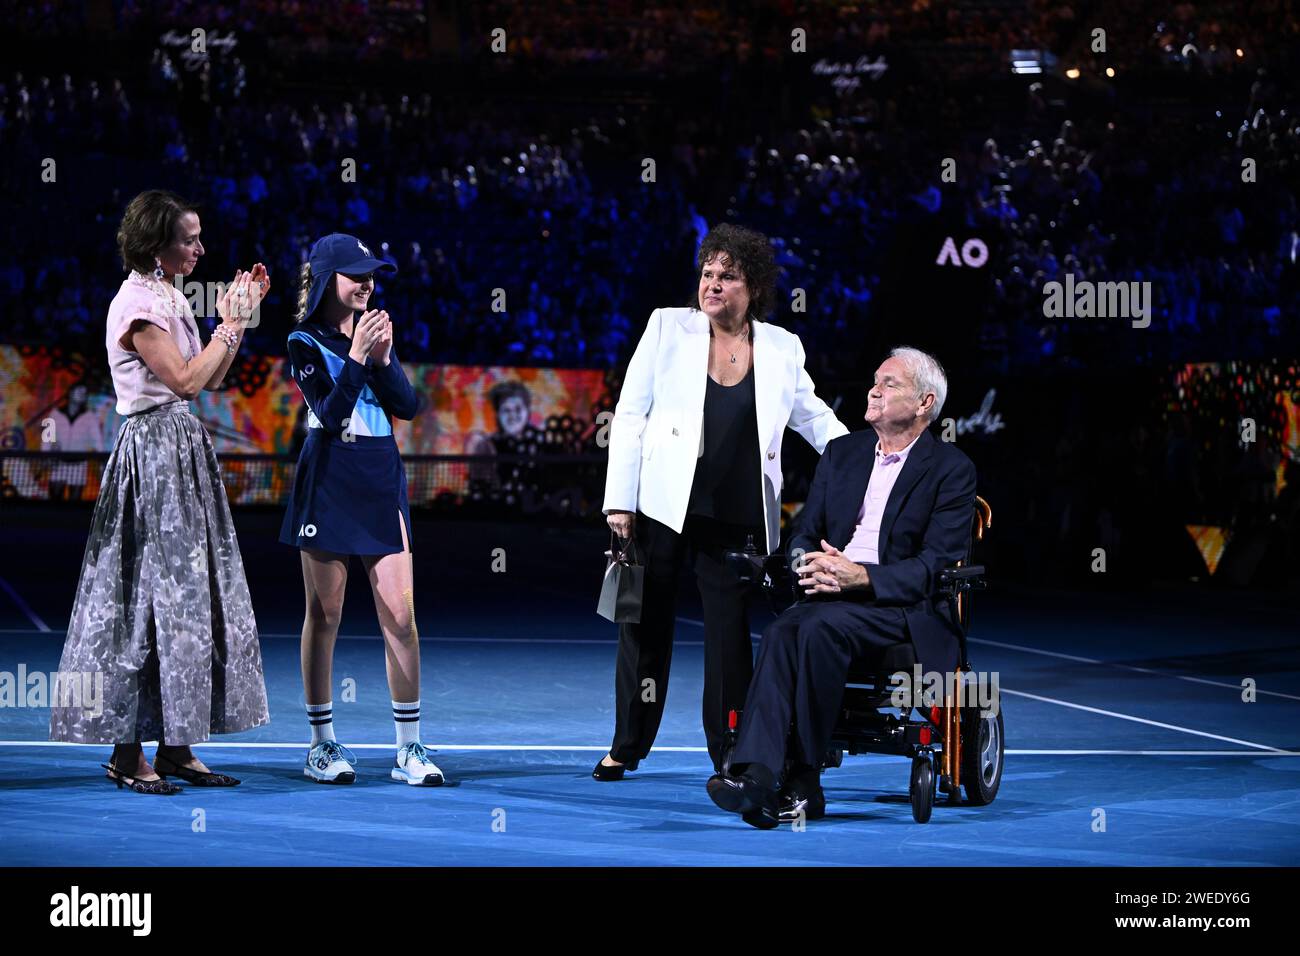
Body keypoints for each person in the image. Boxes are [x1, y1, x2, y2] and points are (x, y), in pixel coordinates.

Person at [597, 223, 849, 780]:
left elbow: (814, 419)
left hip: (736, 517)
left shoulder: (782, 347)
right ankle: (627, 743)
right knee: (643, 627)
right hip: (661, 508)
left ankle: (732, 751)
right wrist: (621, 500)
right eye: (707, 274)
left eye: (727, 276)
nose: (712, 285)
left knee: (729, 639)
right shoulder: (667, 327)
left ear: (752, 287)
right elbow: (631, 412)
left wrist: (871, 458)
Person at [49, 189, 271, 794]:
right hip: (151, 458)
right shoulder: (138, 305)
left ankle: (176, 746)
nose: (199, 248)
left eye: (199, 237)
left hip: (183, 454)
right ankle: (128, 752)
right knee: (142, 599)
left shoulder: (170, 294)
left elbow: (212, 376)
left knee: (188, 600)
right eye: (188, 239)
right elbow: (185, 380)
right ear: (156, 244)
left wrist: (238, 322)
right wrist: (229, 323)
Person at [707, 346, 977, 827]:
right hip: (830, 594)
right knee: (783, 631)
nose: (873, 390)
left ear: (924, 403)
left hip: (900, 606)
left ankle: (800, 779)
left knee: (809, 630)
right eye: (875, 379)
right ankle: (761, 776)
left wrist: (863, 576)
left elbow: (935, 565)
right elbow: (805, 533)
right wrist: (805, 564)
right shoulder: (842, 453)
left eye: (890, 384)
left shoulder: (951, 469)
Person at [279, 233, 442, 786]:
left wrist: (386, 359)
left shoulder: (375, 333)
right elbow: (327, 411)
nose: (368, 283)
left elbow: (407, 406)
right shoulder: (304, 340)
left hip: (378, 476)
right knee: (325, 614)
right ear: (329, 279)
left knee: (400, 613)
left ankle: (409, 748)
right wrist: (356, 357)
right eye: (356, 273)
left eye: (371, 274)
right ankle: (322, 744)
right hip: (328, 478)